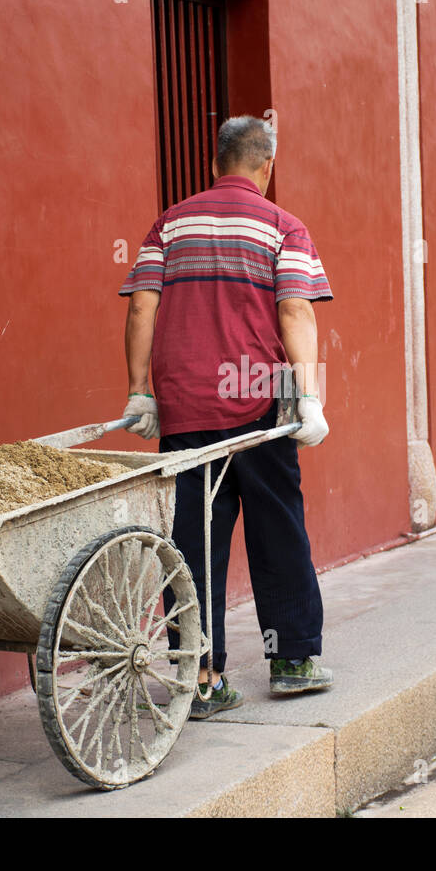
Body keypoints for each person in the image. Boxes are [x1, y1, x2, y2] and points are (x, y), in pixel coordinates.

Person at [118, 115, 333, 719]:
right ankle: (291, 661)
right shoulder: (283, 227)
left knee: (194, 541)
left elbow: (141, 307)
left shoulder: (170, 224)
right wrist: (310, 396)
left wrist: (139, 392)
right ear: (266, 165)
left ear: (216, 161)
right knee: (277, 528)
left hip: (185, 408)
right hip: (260, 404)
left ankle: (202, 678)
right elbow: (296, 311)